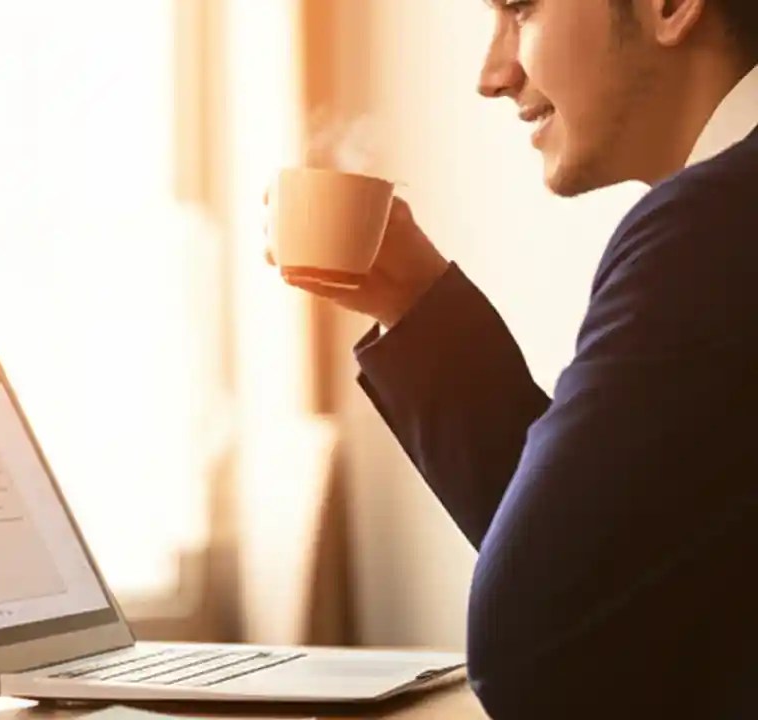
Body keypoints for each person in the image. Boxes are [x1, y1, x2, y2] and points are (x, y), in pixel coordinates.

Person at [274, 1, 758, 717]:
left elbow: (534, 654)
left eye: (521, 10)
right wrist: (417, 306)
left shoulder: (710, 227)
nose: (492, 75)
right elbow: (602, 579)